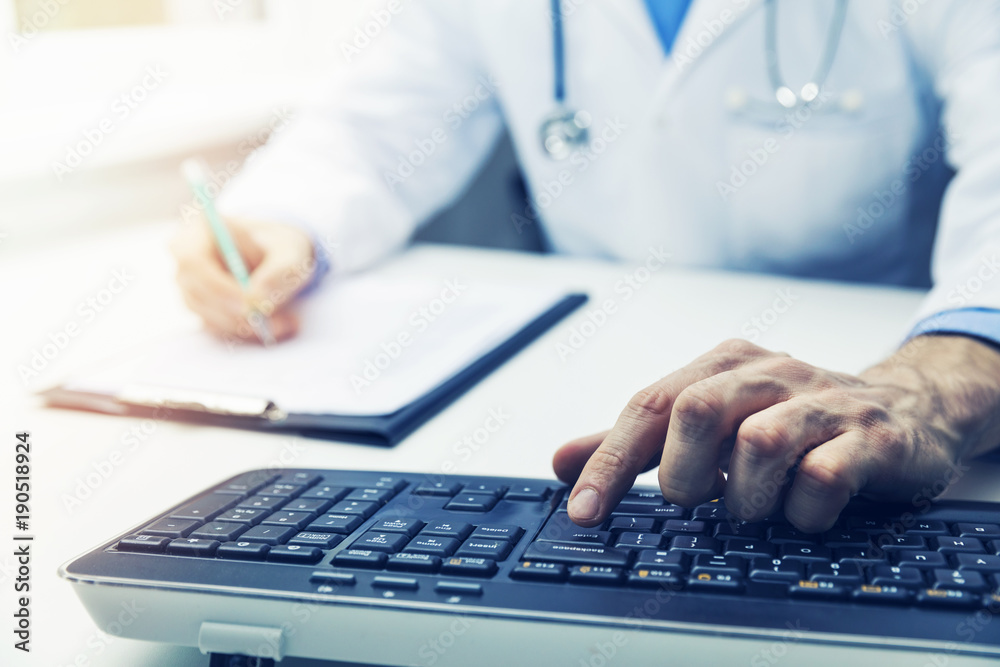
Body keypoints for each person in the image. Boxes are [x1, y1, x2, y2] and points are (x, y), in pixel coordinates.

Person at [171, 0, 1000, 532]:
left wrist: (940, 380)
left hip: (846, 383)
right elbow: (376, 124)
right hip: (583, 385)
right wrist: (282, 221)